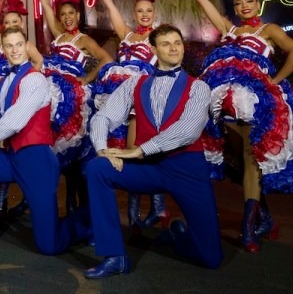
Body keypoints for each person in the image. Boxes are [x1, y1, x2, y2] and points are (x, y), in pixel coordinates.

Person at [173, 0, 293, 252]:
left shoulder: (268, 31)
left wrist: (275, 79)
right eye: (239, 3)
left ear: (258, 2)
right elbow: (204, 5)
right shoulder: (230, 30)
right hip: (223, 100)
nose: (243, 7)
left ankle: (248, 226)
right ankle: (263, 216)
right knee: (239, 160)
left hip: (255, 103)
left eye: (249, 2)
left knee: (249, 155)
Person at [83, 24, 222, 278]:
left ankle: (177, 235)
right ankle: (115, 256)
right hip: (148, 169)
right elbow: (103, 117)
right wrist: (102, 149)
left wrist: (138, 150)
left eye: (177, 43)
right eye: (166, 43)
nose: (173, 48)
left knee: (210, 258)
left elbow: (188, 131)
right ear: (153, 49)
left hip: (186, 168)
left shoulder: (199, 87)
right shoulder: (134, 83)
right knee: (97, 168)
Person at [0, 27, 90, 255]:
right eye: (9, 46)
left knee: (48, 245)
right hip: (10, 158)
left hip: (36, 161)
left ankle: (91, 218)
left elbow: (15, 119)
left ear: (26, 46)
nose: (14, 50)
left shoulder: (36, 80)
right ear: (3, 50)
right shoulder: (0, 84)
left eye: (18, 44)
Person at [83, 0, 167, 231]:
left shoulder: (160, 38)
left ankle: (155, 206)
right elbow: (109, 8)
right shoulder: (126, 34)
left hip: (143, 96)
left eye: (148, 10)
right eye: (140, 10)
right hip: (119, 95)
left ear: (155, 13)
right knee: (128, 150)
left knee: (141, 149)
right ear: (134, 12)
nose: (144, 14)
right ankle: (134, 213)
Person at [29, 0, 111, 209]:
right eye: (63, 14)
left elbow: (107, 59)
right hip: (50, 82)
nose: (66, 18)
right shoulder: (57, 34)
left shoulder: (83, 39)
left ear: (78, 16)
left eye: (70, 14)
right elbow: (45, 6)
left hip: (69, 91)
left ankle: (77, 200)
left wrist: (87, 78)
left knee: (72, 147)